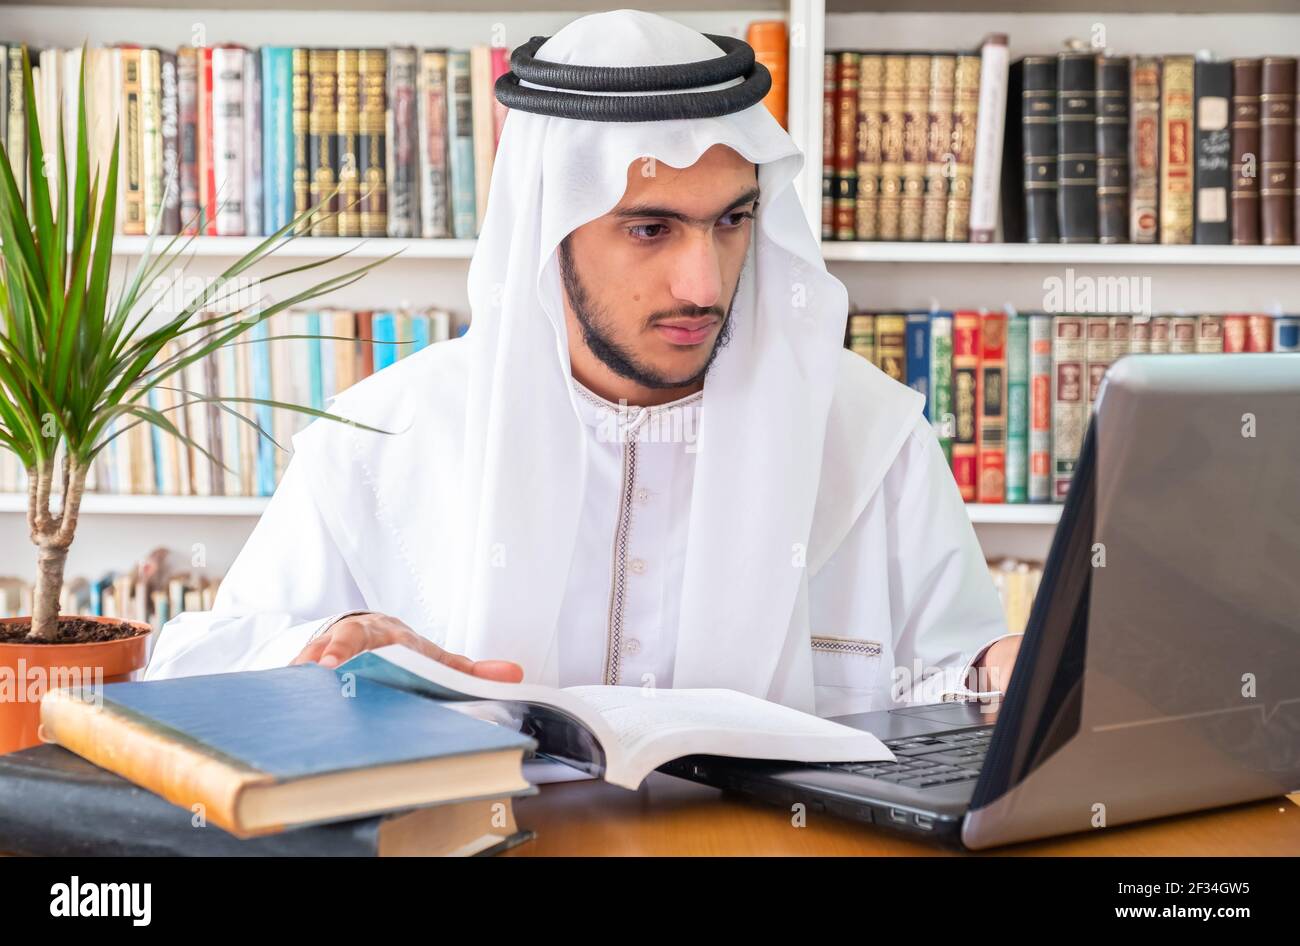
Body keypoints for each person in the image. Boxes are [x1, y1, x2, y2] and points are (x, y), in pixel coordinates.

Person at [145, 9, 1021, 718]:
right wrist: (325, 648)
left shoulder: (874, 438)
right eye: (650, 228)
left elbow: (951, 680)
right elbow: (193, 666)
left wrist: (999, 672)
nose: (704, 282)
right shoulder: (378, 438)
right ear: (548, 225)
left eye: (731, 220)